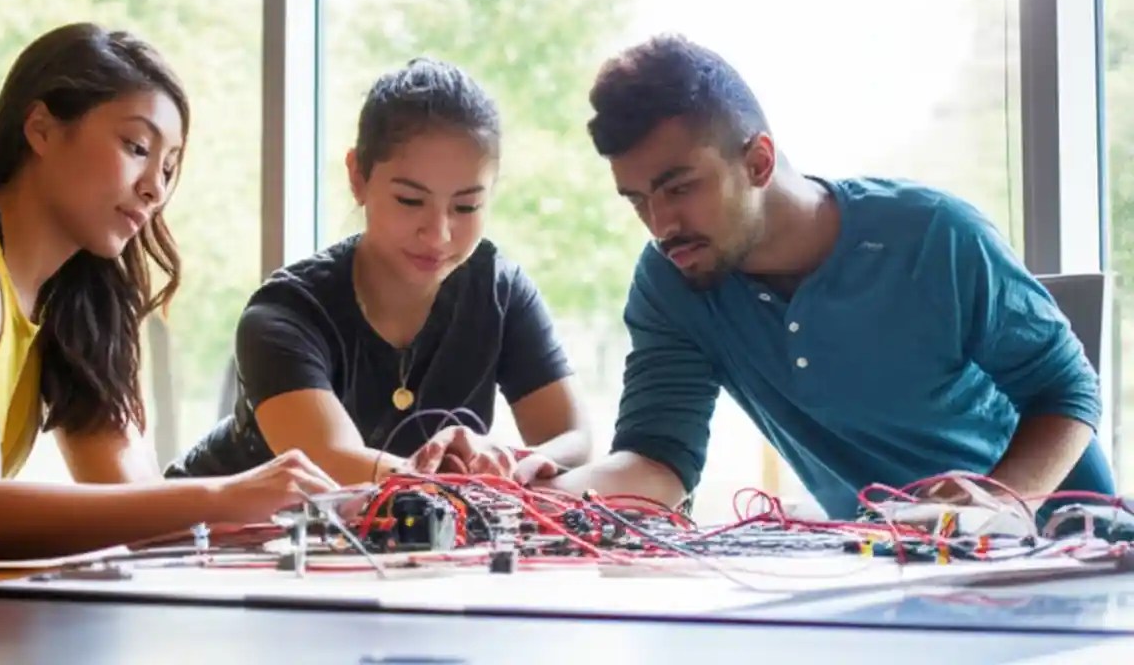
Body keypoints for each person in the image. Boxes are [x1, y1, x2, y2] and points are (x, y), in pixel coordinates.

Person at [546, 33, 1113, 520]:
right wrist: (541, 496)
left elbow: (1067, 387)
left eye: (679, 188)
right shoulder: (673, 280)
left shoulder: (933, 235)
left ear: (759, 161)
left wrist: (1000, 501)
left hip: (1062, 551)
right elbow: (659, 460)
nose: (660, 224)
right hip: (884, 573)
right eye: (637, 200)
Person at [0, 23, 337, 570]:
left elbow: (137, 507)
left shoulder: (77, 304)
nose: (156, 188)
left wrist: (346, 510)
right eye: (137, 147)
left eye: (170, 167)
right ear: (40, 128)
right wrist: (221, 496)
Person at [166, 58, 590, 486]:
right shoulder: (283, 314)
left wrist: (509, 459)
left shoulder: (500, 290)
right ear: (357, 176)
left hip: (394, 539)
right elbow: (331, 464)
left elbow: (573, 437)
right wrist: (469, 478)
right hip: (208, 538)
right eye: (410, 200)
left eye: (466, 207)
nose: (439, 234)